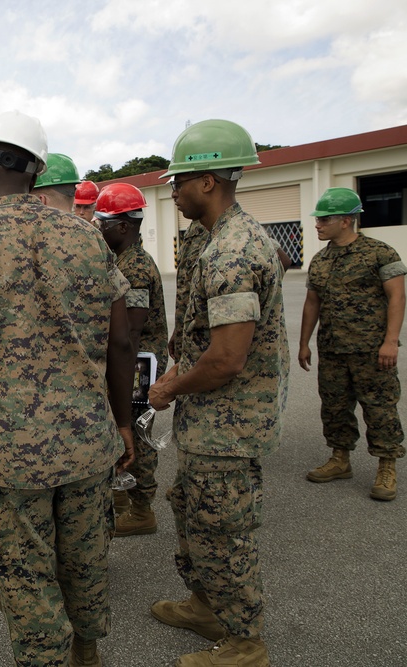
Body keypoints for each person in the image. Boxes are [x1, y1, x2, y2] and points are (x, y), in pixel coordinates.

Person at [0, 110, 136, 667]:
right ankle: (86, 654)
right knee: (84, 564)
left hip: (2, 458)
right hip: (87, 445)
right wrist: (122, 422)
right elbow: (120, 345)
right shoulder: (90, 242)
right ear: (37, 175)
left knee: (25, 581)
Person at [147, 119, 288, 667]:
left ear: (208, 182)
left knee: (224, 530)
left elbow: (228, 358)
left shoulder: (233, 251)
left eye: (179, 180)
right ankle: (207, 605)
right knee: (192, 510)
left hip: (228, 424)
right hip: (210, 420)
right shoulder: (211, 241)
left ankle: (246, 642)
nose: (173, 190)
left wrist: (169, 390)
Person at [300, 187, 406, 501]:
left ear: (346, 220)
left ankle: (386, 467)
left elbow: (397, 297)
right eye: (317, 218)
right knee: (334, 407)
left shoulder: (380, 252)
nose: (318, 224)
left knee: (380, 409)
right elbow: (311, 303)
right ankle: (340, 459)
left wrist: (391, 342)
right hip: (332, 349)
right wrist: (304, 343)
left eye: (325, 218)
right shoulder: (320, 260)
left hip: (371, 350)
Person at [94, 184, 169, 537]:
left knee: (137, 435)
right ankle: (123, 498)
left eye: (102, 222)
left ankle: (142, 509)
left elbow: (131, 334)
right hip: (131, 362)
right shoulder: (121, 260)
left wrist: (118, 382)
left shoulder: (135, 267)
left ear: (123, 226)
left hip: (138, 366)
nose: (96, 227)